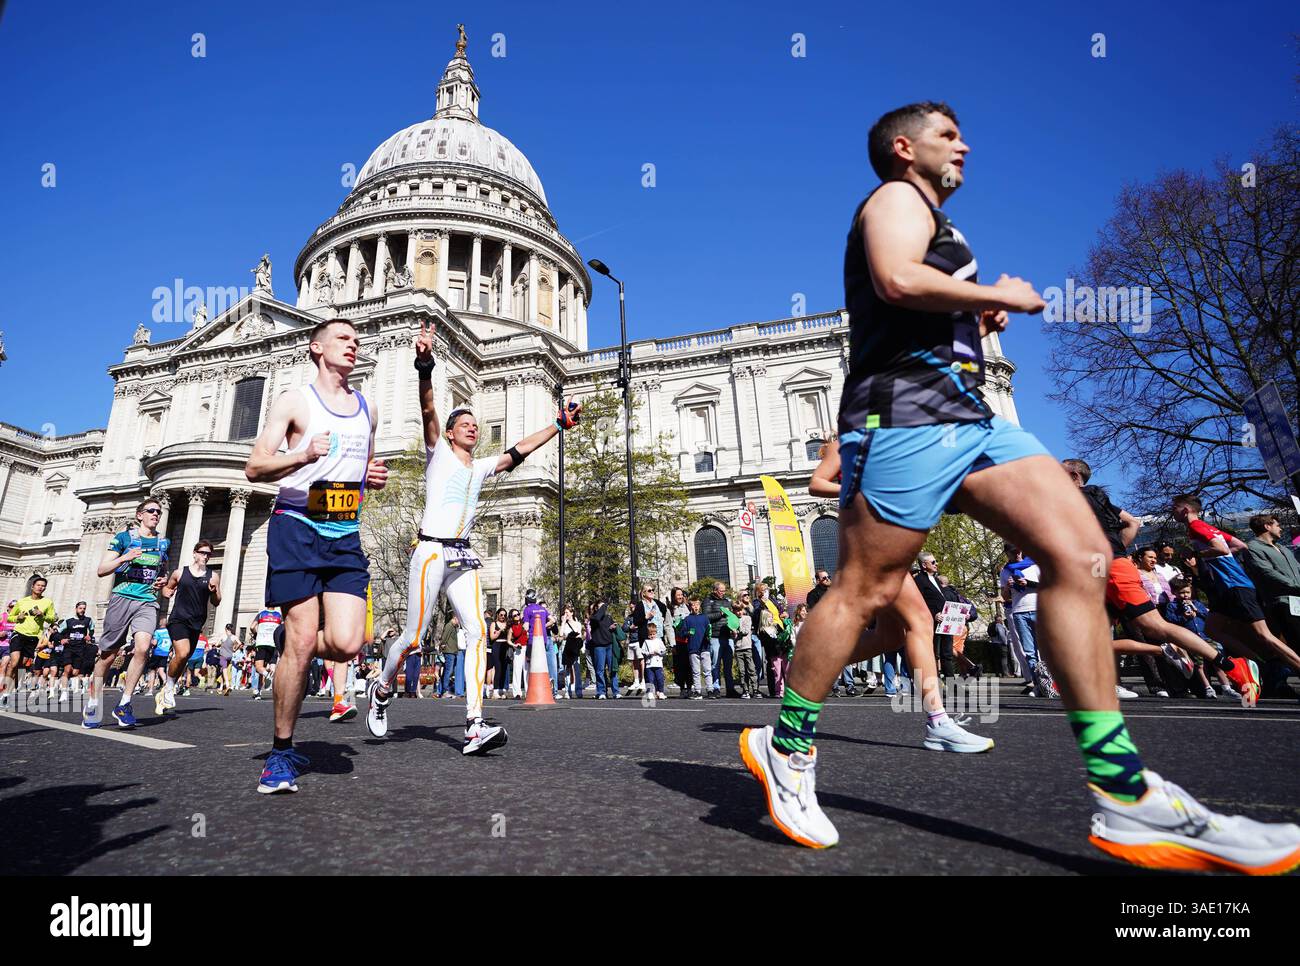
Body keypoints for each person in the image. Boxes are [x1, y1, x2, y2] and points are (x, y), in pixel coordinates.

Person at [738, 102, 1300, 871]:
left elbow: (921, 297)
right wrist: (998, 293)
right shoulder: (895, 198)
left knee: (1083, 557)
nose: (962, 143)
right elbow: (898, 281)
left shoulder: (937, 220)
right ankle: (789, 745)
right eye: (946, 133)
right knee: (866, 590)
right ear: (904, 149)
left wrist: (975, 321)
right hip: (904, 416)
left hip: (972, 419)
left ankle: (1125, 795)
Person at [366, 318, 578, 753]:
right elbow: (428, 409)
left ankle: (474, 724)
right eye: (464, 422)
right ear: (448, 432)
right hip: (428, 551)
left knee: (478, 632)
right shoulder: (437, 453)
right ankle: (382, 688)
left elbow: (518, 450)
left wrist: (558, 425)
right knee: (413, 636)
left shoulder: (480, 467)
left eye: (476, 425)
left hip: (462, 555)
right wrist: (424, 368)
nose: (472, 426)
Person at [243, 316, 388, 792]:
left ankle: (292, 651)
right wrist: (300, 456)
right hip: (297, 526)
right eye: (344, 338)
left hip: (344, 531)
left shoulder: (368, 408)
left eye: (356, 340)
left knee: (348, 643)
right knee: (305, 640)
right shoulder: (294, 401)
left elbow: (362, 464)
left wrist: (372, 475)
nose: (353, 345)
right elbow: (255, 466)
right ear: (316, 347)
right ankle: (281, 753)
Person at [1171, 494, 1300, 684]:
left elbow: (1221, 549)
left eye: (1174, 508)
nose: (1172, 512)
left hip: (1235, 585)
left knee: (1264, 635)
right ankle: (1261, 666)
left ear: (1185, 509)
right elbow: (1240, 545)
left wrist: (1197, 553)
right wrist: (1212, 557)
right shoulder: (1208, 527)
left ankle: (1282, 665)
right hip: (1226, 588)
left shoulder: (1196, 526)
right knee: (1212, 629)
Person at [83, 499, 173, 728]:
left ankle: (124, 703)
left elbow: (162, 574)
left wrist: (163, 582)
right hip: (122, 597)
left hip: (147, 601)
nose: (156, 514)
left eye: (158, 512)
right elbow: (102, 570)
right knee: (108, 655)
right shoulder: (124, 539)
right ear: (139, 515)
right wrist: (125, 557)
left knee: (143, 648)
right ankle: (94, 701)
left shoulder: (163, 543)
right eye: (151, 511)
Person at [156, 539, 221, 717]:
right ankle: (168, 688)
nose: (205, 556)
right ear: (194, 553)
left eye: (208, 554)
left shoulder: (213, 576)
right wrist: (166, 591)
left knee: (183, 658)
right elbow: (167, 591)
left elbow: (216, 601)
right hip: (178, 619)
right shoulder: (179, 573)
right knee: (183, 653)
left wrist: (214, 591)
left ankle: (167, 689)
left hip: (196, 623)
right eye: (202, 553)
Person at [1241, 513, 1300, 696]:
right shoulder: (1252, 548)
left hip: (1297, 599)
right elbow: (1265, 572)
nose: (1280, 528)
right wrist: (1294, 585)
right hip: (1280, 602)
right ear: (1267, 526)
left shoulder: (1284, 549)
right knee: (1295, 641)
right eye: (1277, 524)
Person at [2, 577, 58, 699]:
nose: (40, 587)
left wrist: (43, 615)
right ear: (32, 586)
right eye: (38, 585)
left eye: (43, 586)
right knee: (14, 662)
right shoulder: (22, 601)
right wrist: (18, 617)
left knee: (21, 666)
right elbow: (10, 617)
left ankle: (8, 691)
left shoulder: (48, 602)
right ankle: (4, 691)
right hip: (19, 633)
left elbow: (53, 618)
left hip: (33, 636)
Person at [703, 582, 737, 697]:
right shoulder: (708, 601)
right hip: (715, 637)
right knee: (715, 664)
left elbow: (733, 616)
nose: (723, 592)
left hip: (728, 637)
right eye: (721, 590)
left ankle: (730, 688)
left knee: (728, 665)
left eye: (724, 590)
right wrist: (720, 613)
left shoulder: (728, 601)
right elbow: (705, 617)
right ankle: (716, 688)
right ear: (715, 590)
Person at [681, 599, 712, 700]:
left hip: (705, 647)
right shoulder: (687, 619)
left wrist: (708, 636)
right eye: (693, 605)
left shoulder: (705, 618)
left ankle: (710, 690)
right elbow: (682, 633)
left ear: (700, 606)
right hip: (693, 648)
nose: (695, 607)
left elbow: (709, 630)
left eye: (697, 605)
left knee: (707, 670)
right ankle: (698, 691)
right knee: (696, 671)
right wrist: (688, 632)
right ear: (690, 607)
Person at [250, 607, 282, 702]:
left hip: (262, 642)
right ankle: (258, 692)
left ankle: (268, 676)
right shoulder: (279, 616)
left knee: (259, 668)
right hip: (273, 644)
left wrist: (257, 633)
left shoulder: (261, 614)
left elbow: (252, 627)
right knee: (264, 669)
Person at [588, 599, 618, 699]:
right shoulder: (593, 618)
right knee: (600, 670)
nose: (604, 608)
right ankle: (601, 692)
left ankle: (616, 691)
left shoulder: (608, 617)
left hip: (609, 645)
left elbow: (613, 626)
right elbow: (597, 618)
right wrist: (603, 606)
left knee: (612, 669)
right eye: (601, 607)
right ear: (597, 608)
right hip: (599, 646)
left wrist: (614, 627)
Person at [439, 614, 464, 698]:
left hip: (452, 651)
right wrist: (442, 645)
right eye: (459, 620)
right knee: (448, 671)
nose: (459, 622)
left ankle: (443, 690)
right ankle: (445, 691)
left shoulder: (453, 627)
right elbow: (444, 637)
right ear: (455, 617)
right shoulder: (449, 626)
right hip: (449, 652)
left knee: (448, 671)